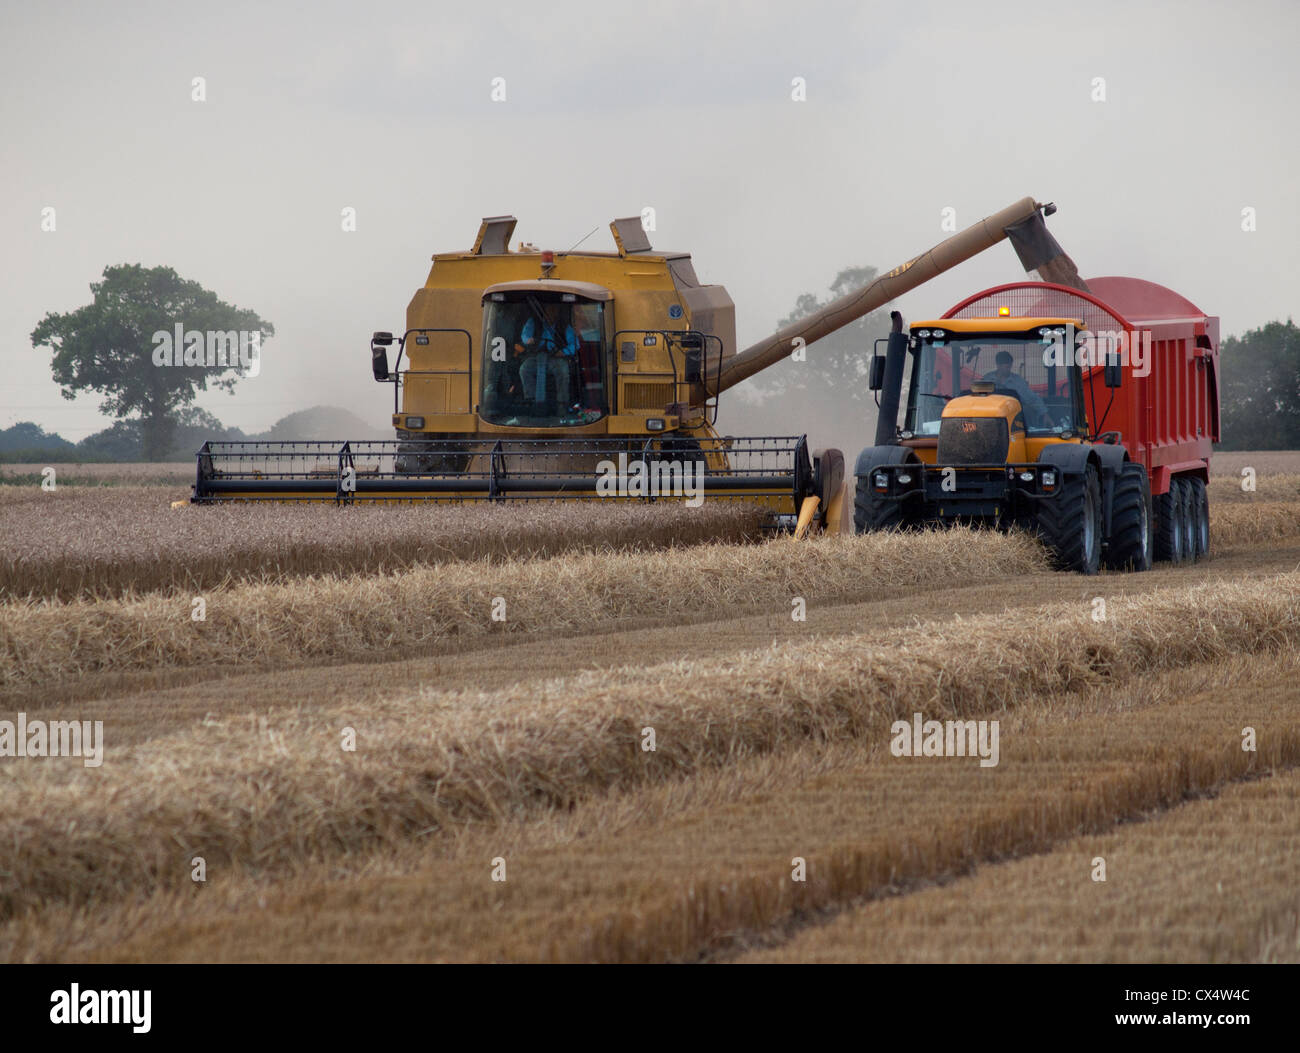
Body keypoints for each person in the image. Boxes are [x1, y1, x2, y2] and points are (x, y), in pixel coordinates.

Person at [517, 307, 579, 408]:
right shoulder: (533, 322)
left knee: (563, 372)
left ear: (557, 312)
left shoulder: (563, 326)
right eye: (548, 309)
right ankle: (531, 400)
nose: (550, 312)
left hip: (556, 358)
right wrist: (528, 340)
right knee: (524, 369)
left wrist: (563, 352)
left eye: (553, 309)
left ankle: (562, 403)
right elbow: (525, 336)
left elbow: (575, 344)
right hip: (536, 356)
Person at [983, 350, 1051, 427]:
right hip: (990, 418)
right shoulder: (987, 379)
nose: (1009, 369)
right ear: (998, 365)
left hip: (1014, 420)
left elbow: (1032, 398)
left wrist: (1044, 413)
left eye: (1010, 366)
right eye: (1006, 367)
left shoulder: (1018, 381)